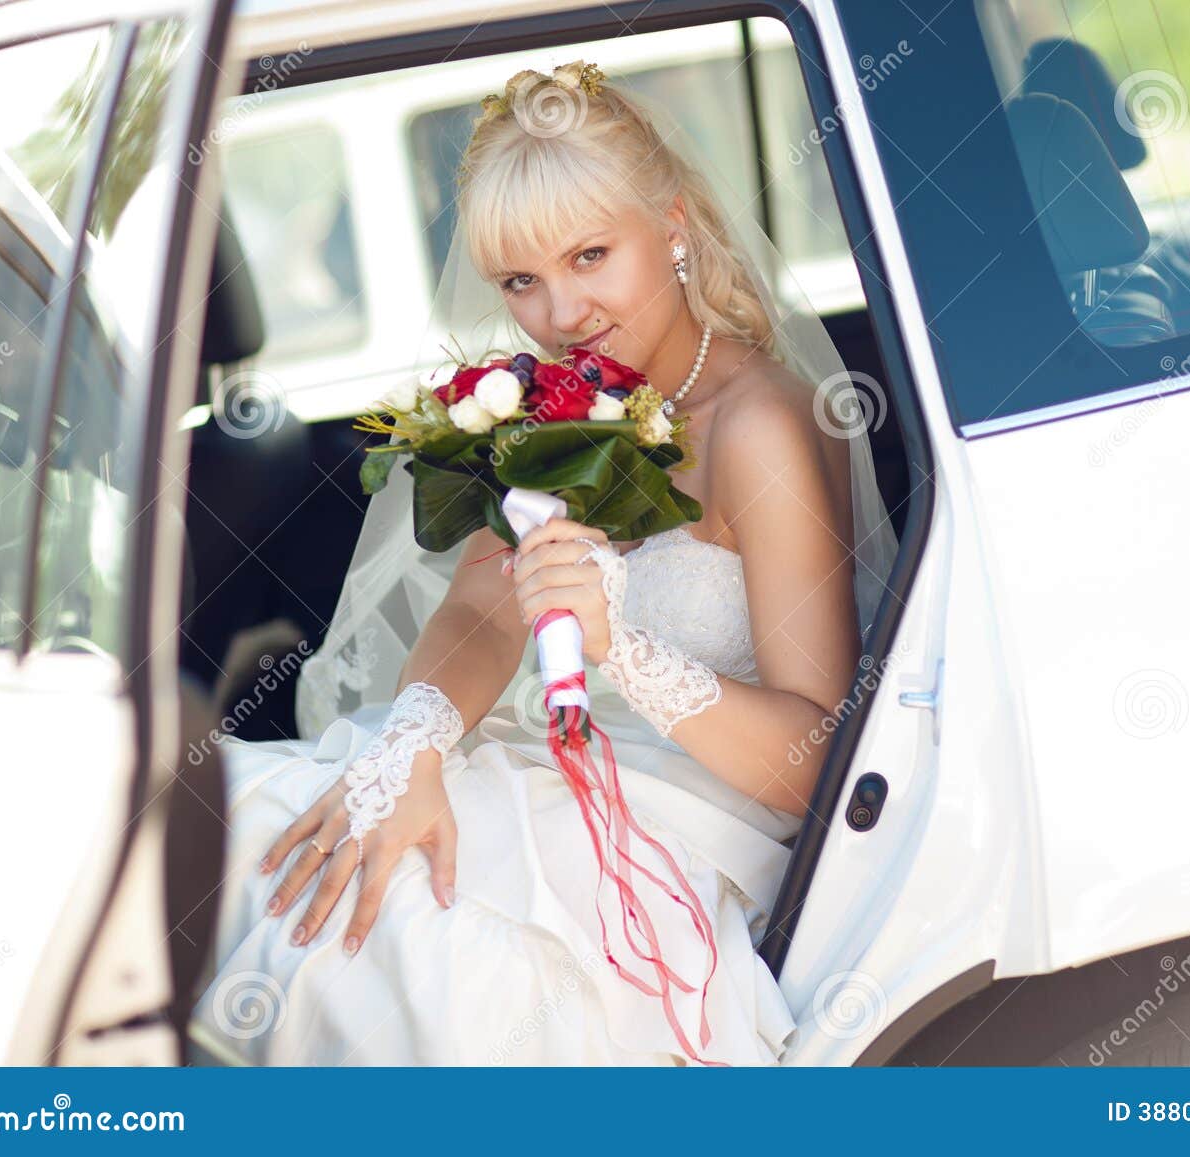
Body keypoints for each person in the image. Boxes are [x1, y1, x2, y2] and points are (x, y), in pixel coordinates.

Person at [187, 60, 897, 1066]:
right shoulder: (557, 400)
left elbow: (815, 763)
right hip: (533, 766)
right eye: (521, 281)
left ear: (675, 226)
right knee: (237, 831)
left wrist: (623, 650)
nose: (563, 314)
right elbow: (481, 609)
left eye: (590, 255)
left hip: (680, 827)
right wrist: (415, 744)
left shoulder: (759, 426)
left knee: (385, 933)